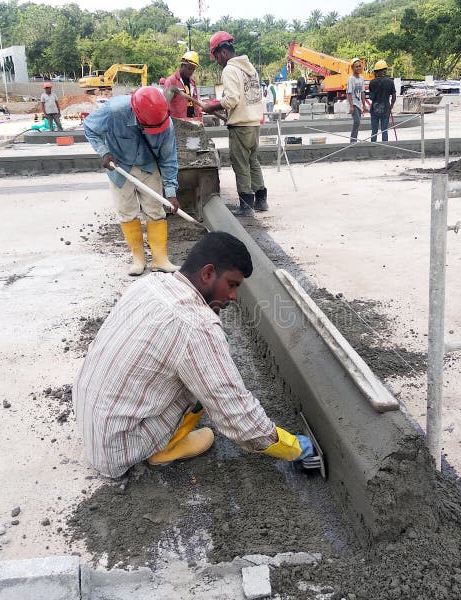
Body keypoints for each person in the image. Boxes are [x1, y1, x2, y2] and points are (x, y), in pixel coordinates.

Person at [74, 231, 315, 480]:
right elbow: (236, 414)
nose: (233, 296)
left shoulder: (151, 283)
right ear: (208, 273)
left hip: (91, 417)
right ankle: (162, 449)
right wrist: (293, 447)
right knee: (206, 373)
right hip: (119, 448)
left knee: (202, 357)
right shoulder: (196, 327)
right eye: (232, 284)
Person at [83, 87, 180, 276]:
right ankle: (138, 259)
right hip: (120, 168)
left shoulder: (165, 124)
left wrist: (171, 193)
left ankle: (160, 259)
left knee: (155, 210)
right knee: (126, 212)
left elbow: (169, 159)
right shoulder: (114, 111)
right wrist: (104, 152)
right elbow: (89, 128)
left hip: (148, 166)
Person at [210, 30, 268, 215]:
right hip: (253, 123)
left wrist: (212, 108)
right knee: (253, 161)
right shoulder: (249, 68)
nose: (218, 61)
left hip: (241, 126)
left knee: (240, 164)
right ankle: (261, 200)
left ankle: (246, 205)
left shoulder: (230, 69)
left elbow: (232, 99)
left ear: (223, 52)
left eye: (217, 57)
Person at [163, 51, 203, 120]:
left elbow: (196, 102)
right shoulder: (171, 81)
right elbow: (165, 105)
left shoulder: (192, 83)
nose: (191, 72)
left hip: (192, 120)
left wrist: (199, 117)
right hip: (178, 122)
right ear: (182, 66)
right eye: (189, 68)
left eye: (193, 69)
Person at [368, 59, 396, 142]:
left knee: (374, 131)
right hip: (386, 109)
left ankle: (373, 146)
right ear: (384, 70)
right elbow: (394, 97)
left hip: (374, 109)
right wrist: (391, 106)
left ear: (376, 71)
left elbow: (371, 97)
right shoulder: (390, 82)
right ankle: (385, 147)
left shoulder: (372, 82)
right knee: (384, 131)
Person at [346, 58, 366, 143]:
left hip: (358, 103)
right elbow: (349, 93)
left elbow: (362, 92)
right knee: (357, 121)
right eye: (356, 66)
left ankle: (354, 139)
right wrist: (351, 106)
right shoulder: (351, 79)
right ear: (353, 68)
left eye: (359, 66)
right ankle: (353, 140)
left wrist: (364, 105)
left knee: (358, 122)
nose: (358, 68)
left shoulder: (361, 79)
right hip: (353, 103)